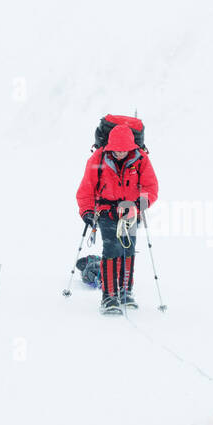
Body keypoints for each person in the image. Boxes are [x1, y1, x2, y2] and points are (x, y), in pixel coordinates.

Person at [75, 124, 159, 312]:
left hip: (130, 210)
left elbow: (151, 187)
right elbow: (86, 189)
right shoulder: (99, 158)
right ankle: (109, 296)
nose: (119, 154)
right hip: (106, 210)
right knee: (112, 247)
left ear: (131, 147)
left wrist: (138, 206)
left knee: (128, 248)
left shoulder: (140, 159)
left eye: (123, 151)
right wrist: (87, 212)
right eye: (116, 150)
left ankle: (125, 292)